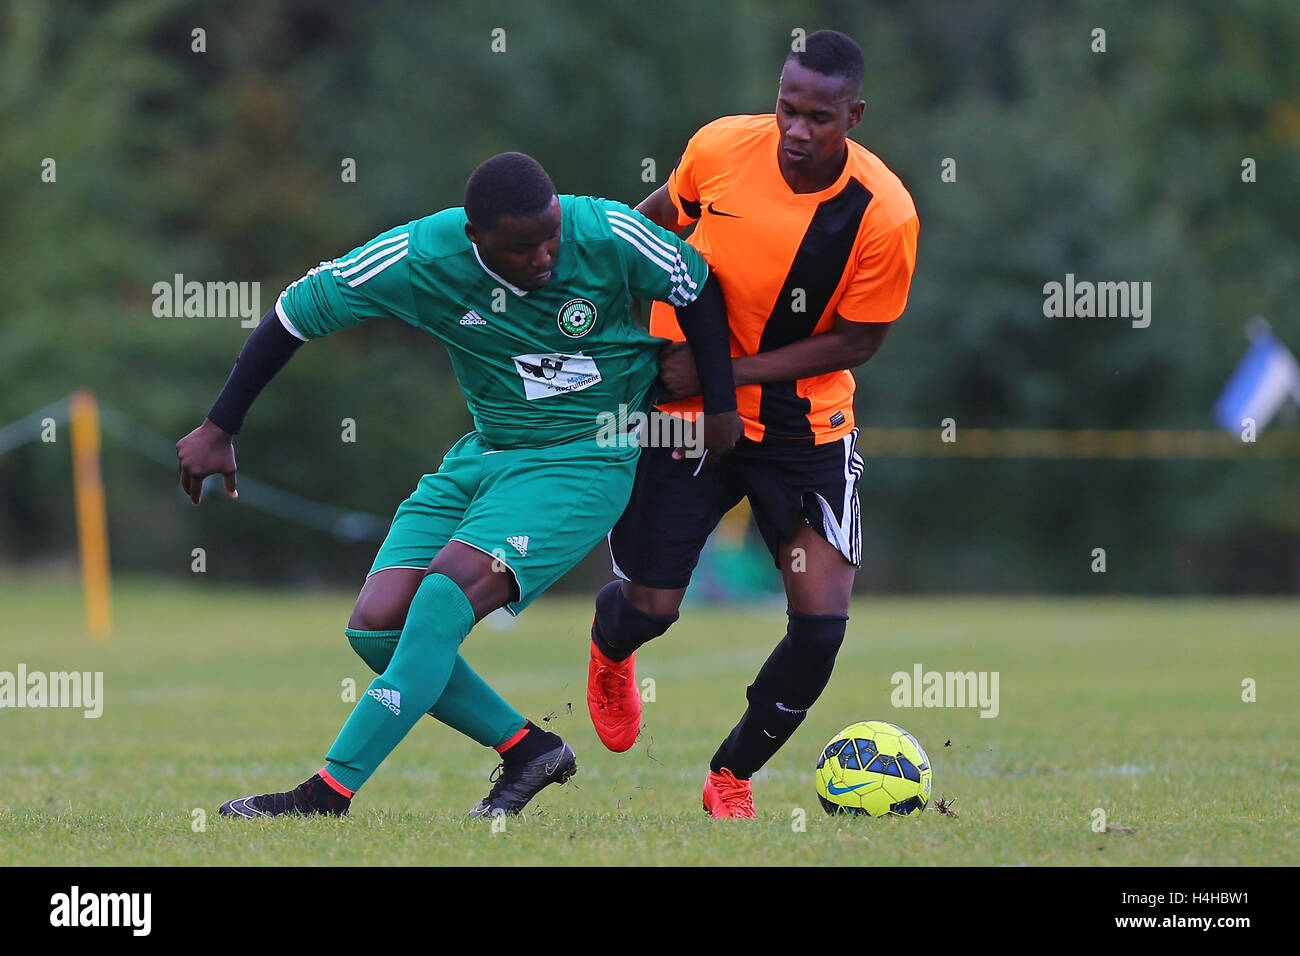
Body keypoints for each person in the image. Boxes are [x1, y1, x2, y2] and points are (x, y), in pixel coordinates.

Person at [176, 152, 741, 819]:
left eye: (550, 236)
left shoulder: (606, 230)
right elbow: (299, 310)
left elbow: (697, 285)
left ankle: (326, 794)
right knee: (377, 628)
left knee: (442, 598)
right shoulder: (422, 257)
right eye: (522, 247)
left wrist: (723, 407)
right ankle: (530, 749)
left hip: (585, 457)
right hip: (486, 453)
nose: (544, 257)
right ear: (477, 240)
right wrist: (219, 426)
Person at [585, 30, 919, 817]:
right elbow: (651, 222)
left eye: (820, 117)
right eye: (787, 110)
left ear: (855, 115)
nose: (797, 131)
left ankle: (729, 775)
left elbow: (858, 341)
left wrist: (724, 374)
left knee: (820, 627)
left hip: (805, 427)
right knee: (652, 608)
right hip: (684, 412)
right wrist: (615, 327)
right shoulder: (721, 148)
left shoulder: (885, 215)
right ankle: (611, 645)